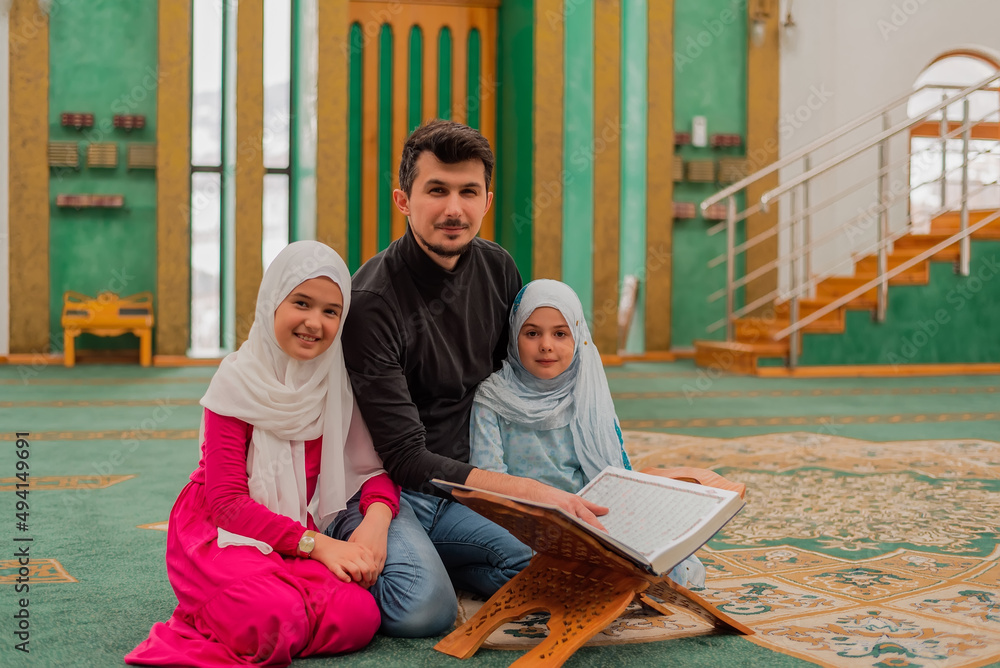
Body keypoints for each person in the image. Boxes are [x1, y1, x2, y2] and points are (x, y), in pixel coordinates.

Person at [336, 119, 608, 637]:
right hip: (391, 492)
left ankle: (439, 558)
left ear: (487, 199)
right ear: (403, 200)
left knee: (574, 565)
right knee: (424, 612)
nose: (453, 209)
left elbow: (519, 384)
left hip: (469, 484)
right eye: (436, 190)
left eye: (468, 191)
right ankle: (411, 560)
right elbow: (405, 458)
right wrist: (530, 492)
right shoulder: (373, 301)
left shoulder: (499, 268)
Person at [126, 241, 400, 666]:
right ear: (273, 301)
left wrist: (376, 521)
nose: (315, 323)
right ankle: (258, 614)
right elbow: (227, 504)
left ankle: (271, 617)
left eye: (331, 312)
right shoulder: (237, 381)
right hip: (219, 534)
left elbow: (371, 469)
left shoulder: (334, 382)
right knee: (275, 615)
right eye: (302, 303)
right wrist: (320, 546)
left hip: (289, 532)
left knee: (360, 615)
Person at [469, 279, 706, 588]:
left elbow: (608, 475)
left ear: (578, 337)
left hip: (583, 520)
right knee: (536, 570)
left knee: (662, 557)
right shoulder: (493, 397)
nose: (546, 345)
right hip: (518, 523)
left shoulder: (585, 393)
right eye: (531, 333)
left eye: (560, 333)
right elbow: (489, 483)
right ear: (513, 337)